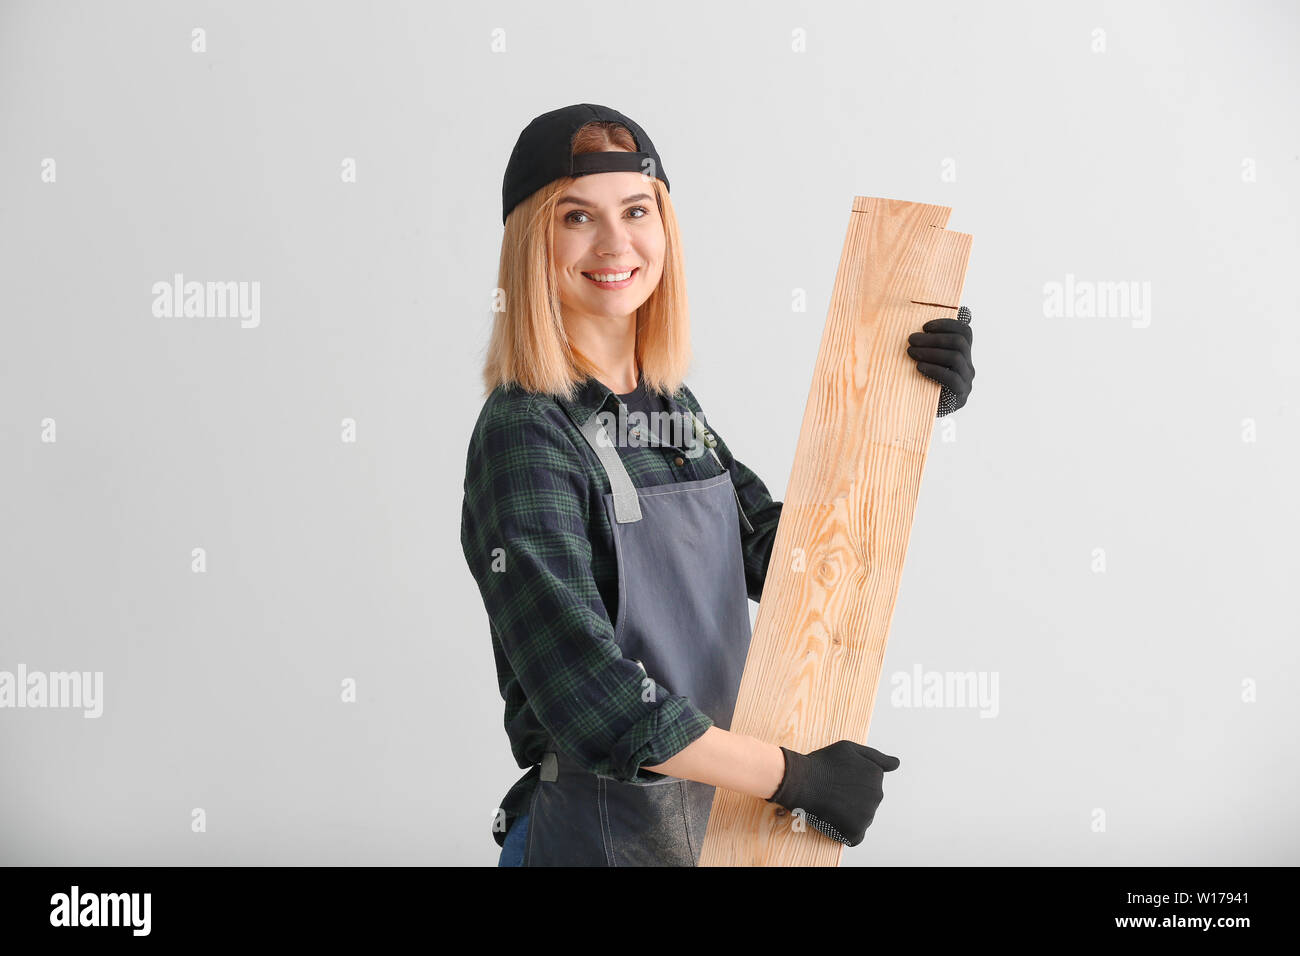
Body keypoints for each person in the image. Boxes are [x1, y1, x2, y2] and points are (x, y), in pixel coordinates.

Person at [461, 104, 976, 867]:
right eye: (577, 217)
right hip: (598, 840)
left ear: (664, 227)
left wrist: (905, 405)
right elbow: (590, 695)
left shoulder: (671, 413)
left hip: (718, 830)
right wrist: (792, 775)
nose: (615, 244)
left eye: (636, 210)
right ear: (532, 243)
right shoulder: (526, 433)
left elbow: (783, 557)